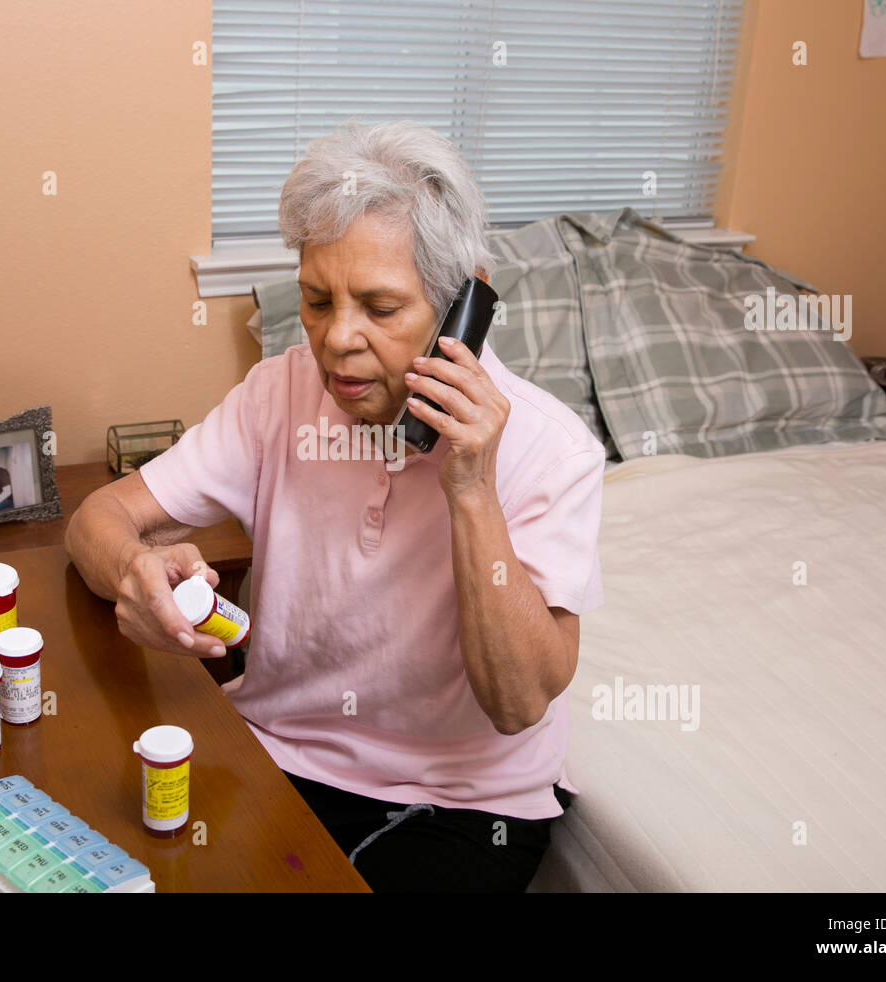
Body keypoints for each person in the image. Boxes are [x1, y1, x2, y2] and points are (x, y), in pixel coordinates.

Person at [65, 120, 605, 892]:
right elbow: (97, 521)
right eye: (317, 301)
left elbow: (520, 703)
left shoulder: (555, 449)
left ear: (465, 308)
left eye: (380, 309)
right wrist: (134, 571)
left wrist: (471, 486)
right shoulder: (278, 393)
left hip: (459, 804)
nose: (337, 341)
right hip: (274, 751)